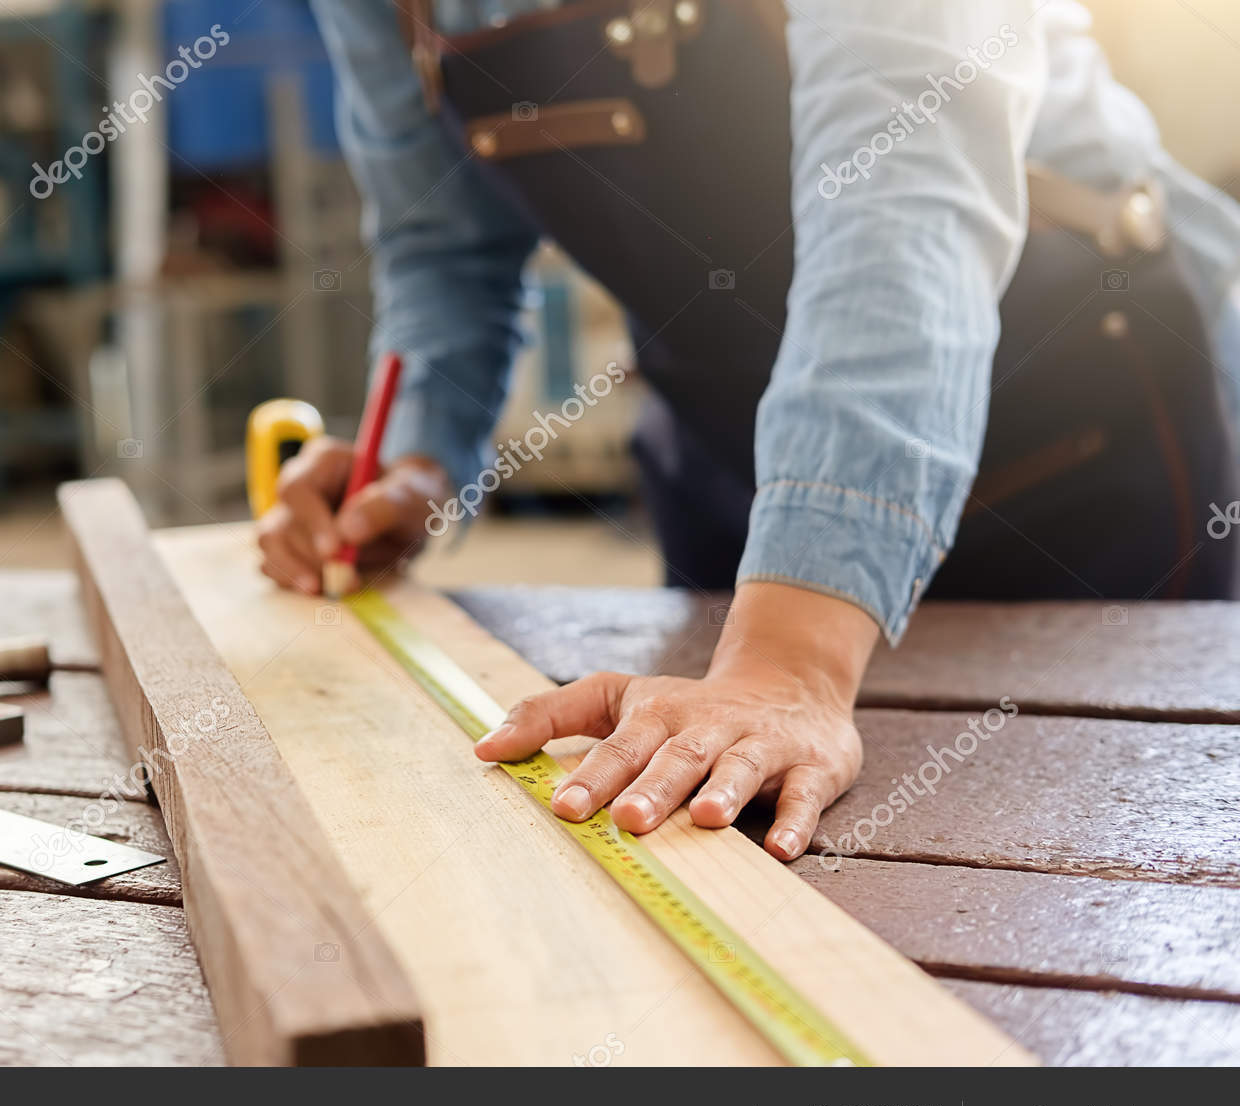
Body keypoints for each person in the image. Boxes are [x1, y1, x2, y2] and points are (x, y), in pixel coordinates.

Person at [258, 0, 1240, 860]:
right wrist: (412, 464)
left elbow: (902, 213)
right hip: (738, 478)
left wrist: (791, 663)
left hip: (1084, 441)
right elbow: (440, 246)